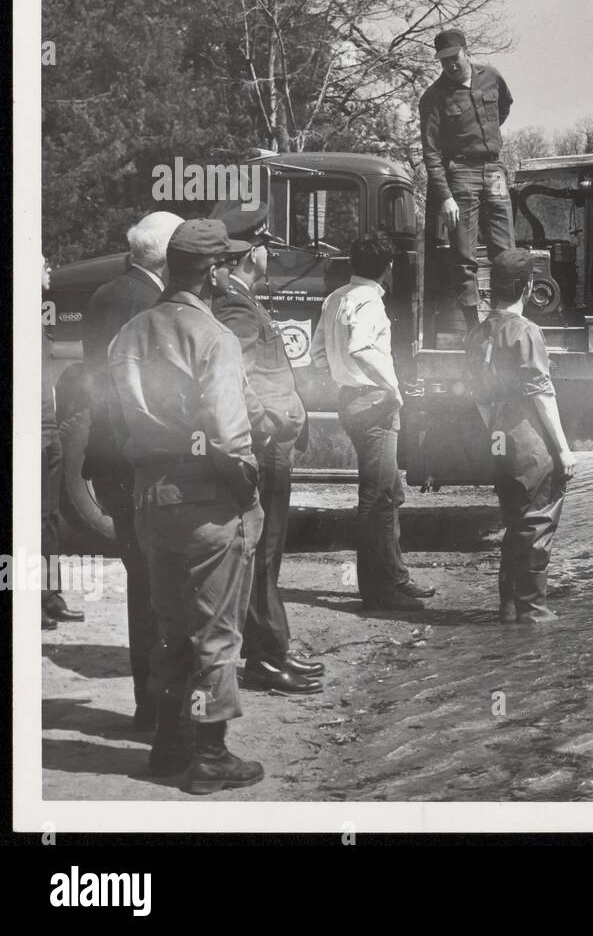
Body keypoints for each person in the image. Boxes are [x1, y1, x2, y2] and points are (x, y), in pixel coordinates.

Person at [109, 219, 265, 794]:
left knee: (171, 630)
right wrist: (246, 491)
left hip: (152, 500)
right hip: (208, 503)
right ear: (216, 273)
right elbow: (229, 436)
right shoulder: (215, 337)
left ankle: (167, 745)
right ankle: (209, 755)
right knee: (216, 634)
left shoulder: (129, 334)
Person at [213, 207, 322, 696]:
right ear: (246, 253)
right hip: (266, 446)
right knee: (264, 554)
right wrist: (272, 426)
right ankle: (265, 659)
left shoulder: (243, 299)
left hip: (274, 443)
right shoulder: (234, 306)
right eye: (263, 245)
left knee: (270, 554)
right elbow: (239, 380)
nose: (268, 253)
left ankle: (272, 648)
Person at [81, 210, 184, 728]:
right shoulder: (155, 306)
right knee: (159, 587)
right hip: (140, 460)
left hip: (108, 459)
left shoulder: (103, 296)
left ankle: (149, 699)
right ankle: (157, 706)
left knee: (140, 582)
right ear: (169, 257)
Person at [309, 233, 435, 612]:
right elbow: (359, 347)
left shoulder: (335, 299)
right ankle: (378, 591)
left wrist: (340, 378)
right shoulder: (369, 303)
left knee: (389, 493)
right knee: (377, 499)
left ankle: (395, 577)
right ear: (387, 268)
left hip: (352, 399)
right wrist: (392, 388)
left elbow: (318, 353)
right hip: (374, 403)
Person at [464, 249, 576, 624]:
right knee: (538, 522)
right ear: (528, 287)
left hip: (497, 436)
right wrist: (562, 450)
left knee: (515, 521)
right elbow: (541, 393)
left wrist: (495, 429)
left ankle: (509, 608)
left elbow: (478, 398)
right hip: (528, 438)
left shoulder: (477, 333)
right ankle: (534, 613)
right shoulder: (526, 331)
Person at [418, 27, 516, 330]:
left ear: (466, 51)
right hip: (461, 174)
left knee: (506, 250)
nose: (451, 64)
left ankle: (508, 320)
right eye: (444, 60)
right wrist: (446, 196)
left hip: (495, 169)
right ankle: (474, 329)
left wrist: (485, 140)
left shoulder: (491, 76)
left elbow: (504, 108)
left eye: (455, 57)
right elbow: (431, 154)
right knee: (465, 256)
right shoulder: (433, 97)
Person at [41, 256, 82, 630]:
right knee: (34, 520)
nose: (50, 271)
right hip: (33, 434)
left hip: (48, 431)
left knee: (50, 519)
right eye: (43, 266)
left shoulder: (38, 320)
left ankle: (50, 598)